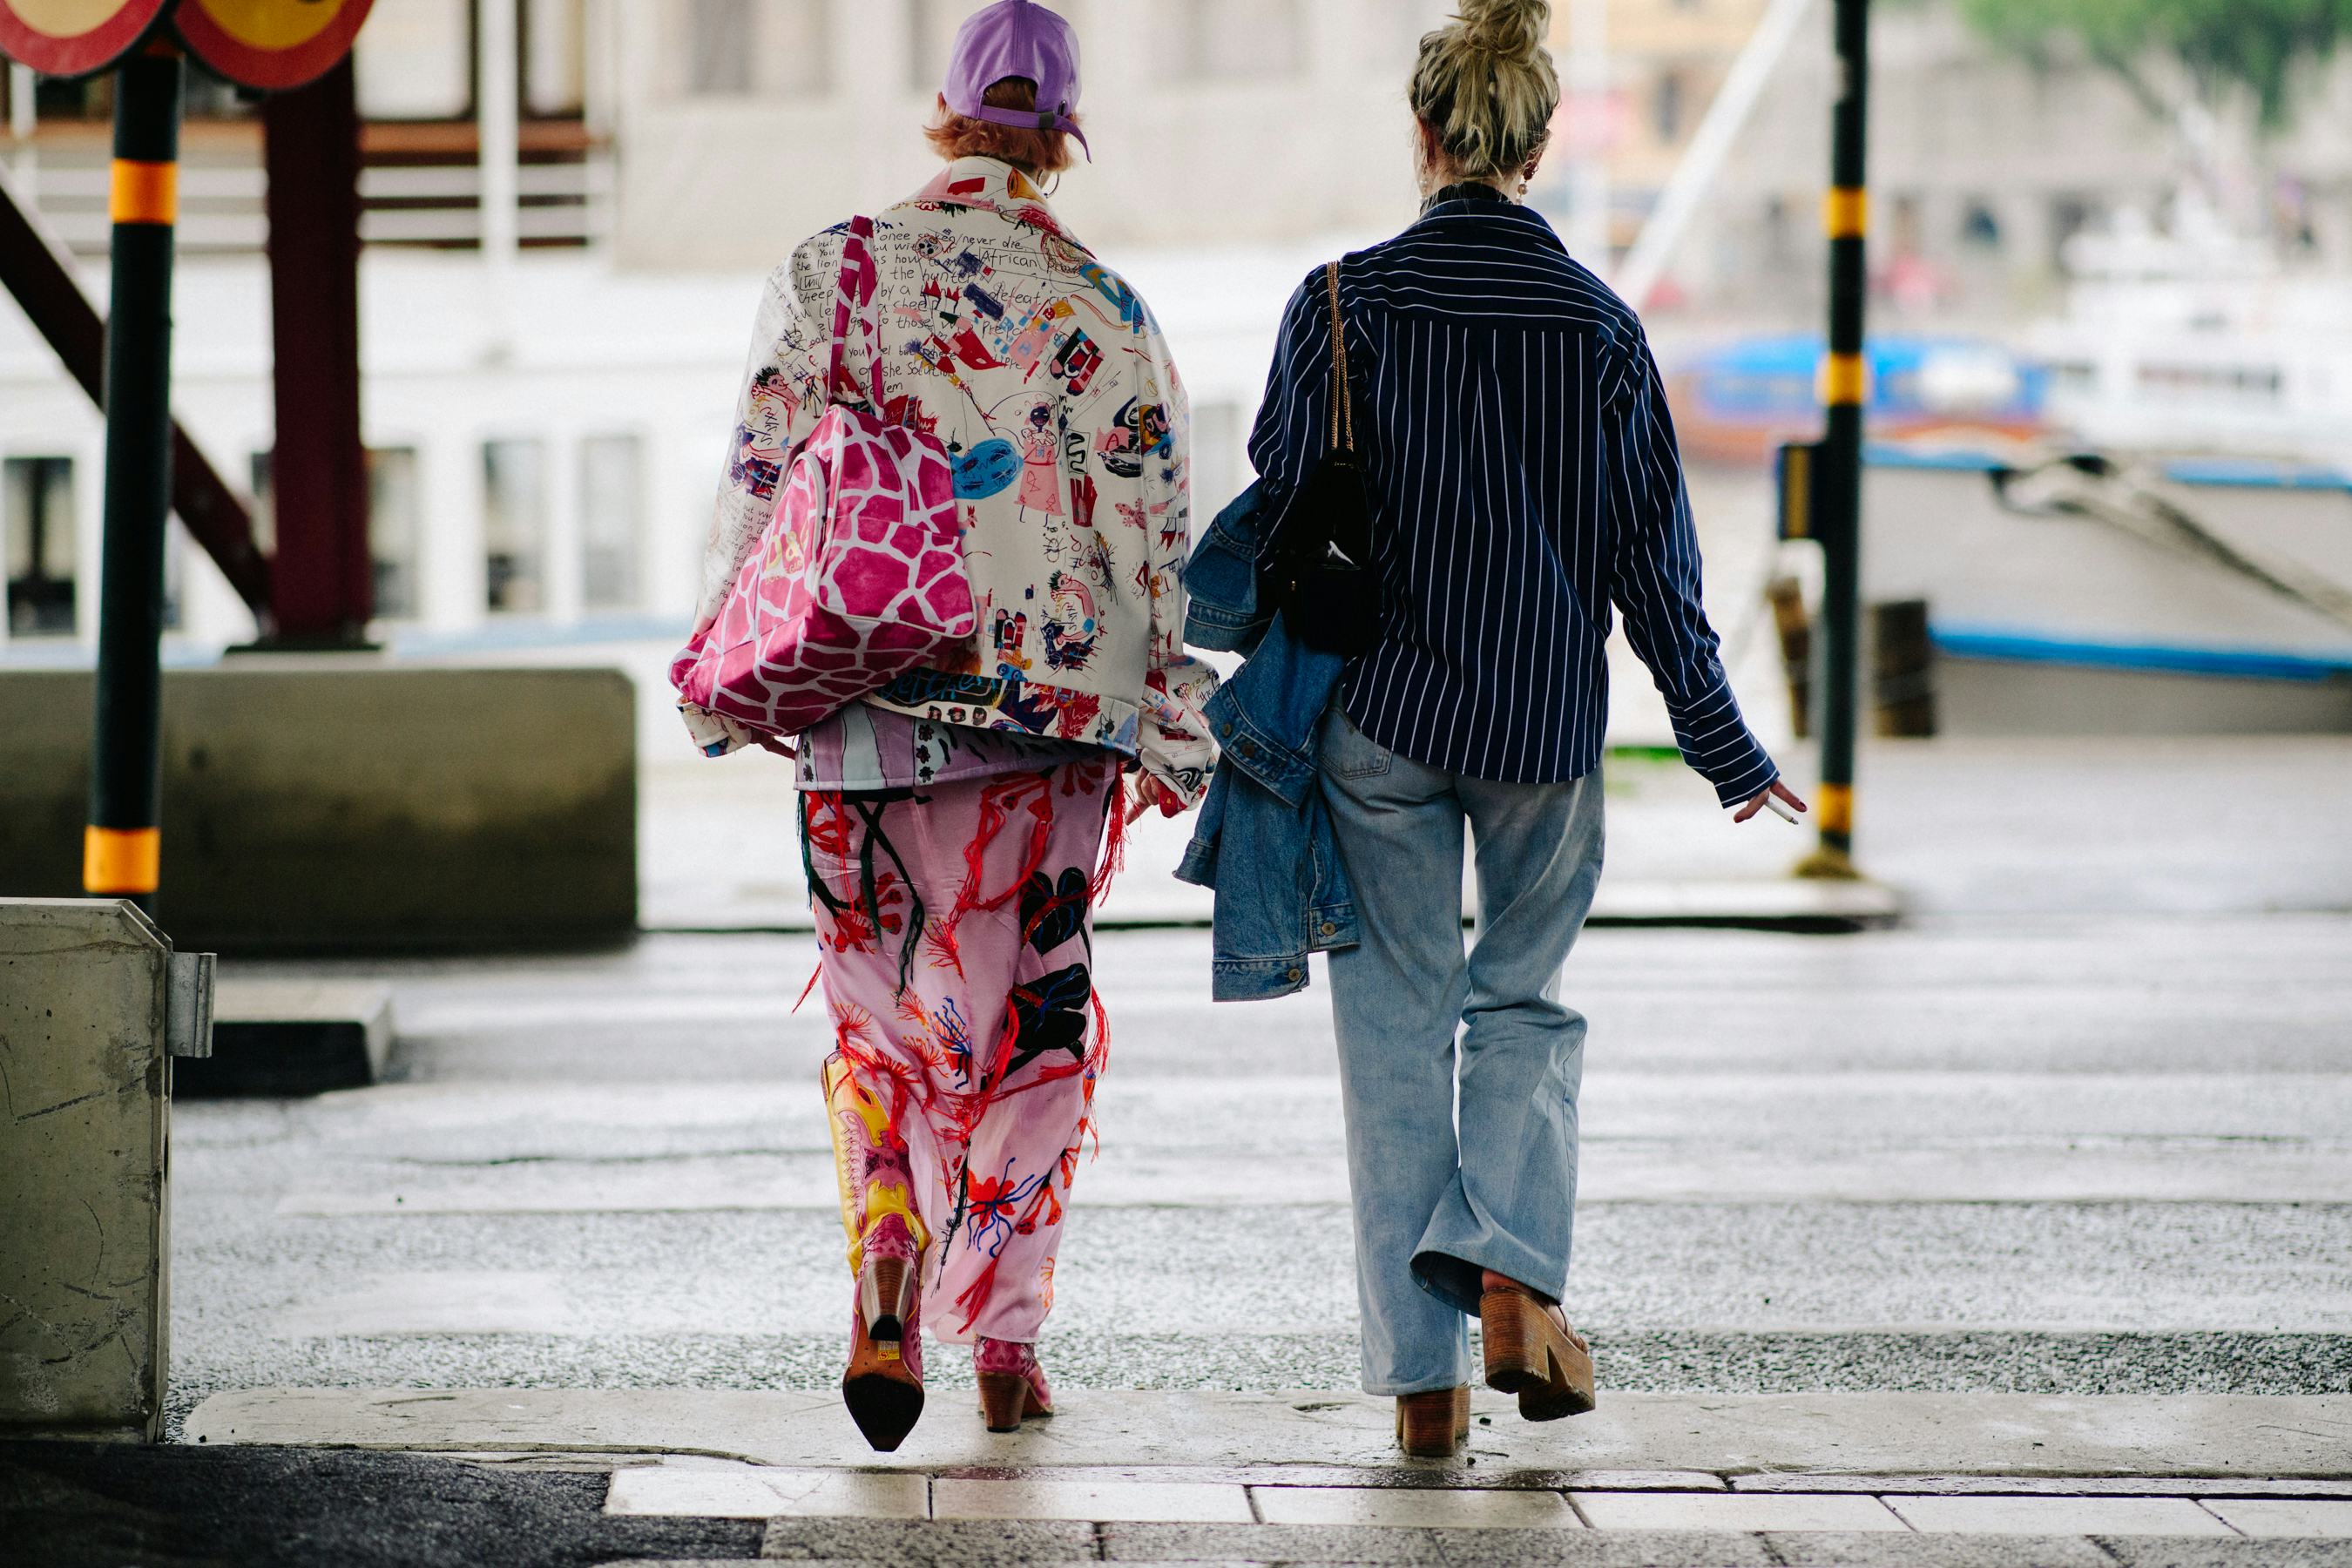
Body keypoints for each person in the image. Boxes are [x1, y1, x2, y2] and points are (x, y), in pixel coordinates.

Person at [1241, 0, 1808, 1457]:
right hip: (1547, 727)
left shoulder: (1339, 307)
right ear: (1542, 145)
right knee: (1528, 1002)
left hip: (1380, 721)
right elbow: (1654, 567)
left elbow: (1287, 495)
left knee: (1392, 1030)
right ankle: (1507, 1265)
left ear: (1423, 133)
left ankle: (1423, 1399)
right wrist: (1726, 748)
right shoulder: (1605, 331)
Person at [681, 0, 1216, 1453]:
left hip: (856, 717)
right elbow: (1155, 526)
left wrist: (720, 668)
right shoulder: (1103, 307)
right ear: (1060, 135)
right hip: (1042, 734)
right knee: (1031, 1029)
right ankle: (1005, 1345)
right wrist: (1166, 715)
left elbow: (758, 466)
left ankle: (887, 1252)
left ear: (943, 113)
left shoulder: (834, 267)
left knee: (876, 1015)